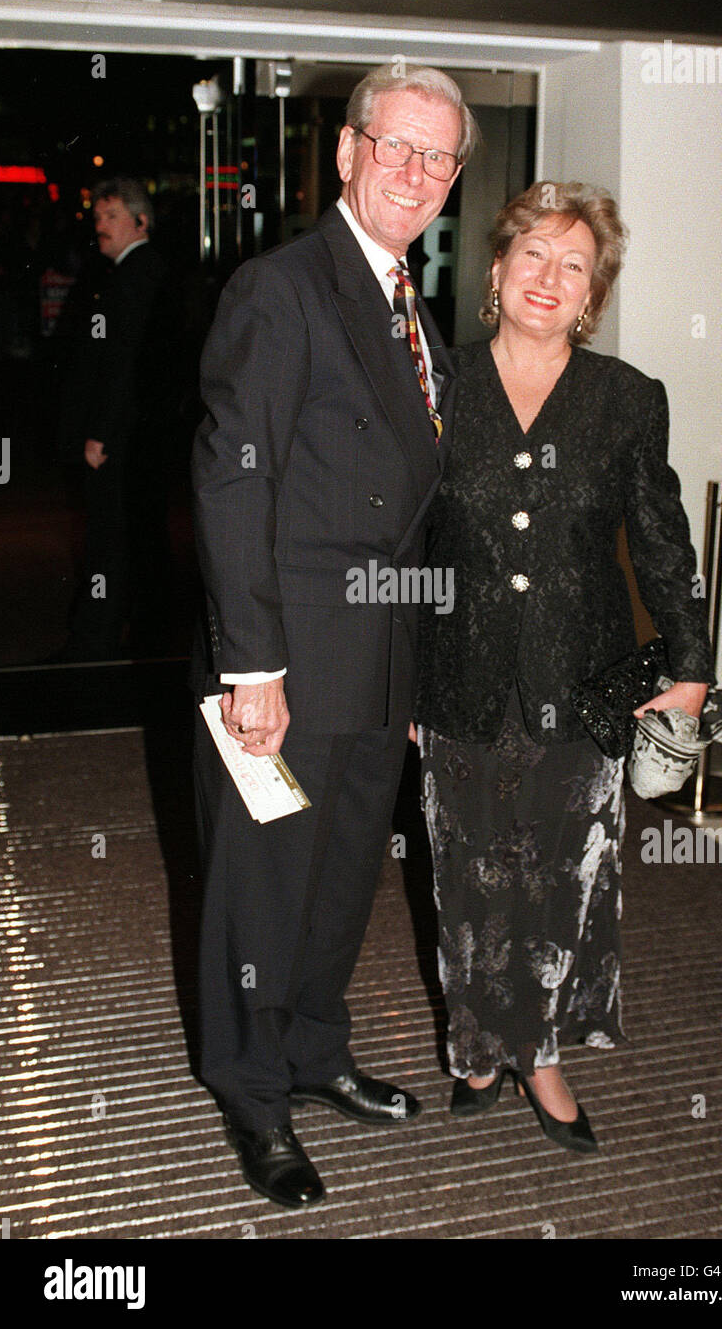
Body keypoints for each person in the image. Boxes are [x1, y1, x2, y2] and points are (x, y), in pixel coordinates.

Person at [191, 64, 477, 1208]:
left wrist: (417, 664)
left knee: (344, 880)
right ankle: (252, 1093)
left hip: (377, 657)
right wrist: (250, 668)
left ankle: (313, 1050)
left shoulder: (412, 305)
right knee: (258, 889)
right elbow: (229, 482)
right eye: (394, 147)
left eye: (437, 158)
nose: (414, 174)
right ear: (348, 152)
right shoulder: (282, 286)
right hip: (288, 664)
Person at [415, 182, 714, 1154]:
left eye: (572, 264)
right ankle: (473, 1044)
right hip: (454, 672)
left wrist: (689, 665)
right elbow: (398, 537)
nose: (548, 277)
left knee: (559, 882)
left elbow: (663, 546)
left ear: (591, 294)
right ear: (495, 272)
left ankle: (538, 1052)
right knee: (464, 878)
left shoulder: (625, 401)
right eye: (531, 255)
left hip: (584, 681)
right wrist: (395, 675)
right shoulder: (432, 385)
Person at [57, 177, 175, 659]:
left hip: (122, 436)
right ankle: (116, 632)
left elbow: (121, 363)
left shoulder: (136, 275)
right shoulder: (136, 273)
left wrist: (100, 434)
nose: (99, 227)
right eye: (97, 217)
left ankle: (97, 638)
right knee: (125, 535)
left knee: (112, 537)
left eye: (110, 217)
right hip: (133, 433)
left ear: (140, 221)